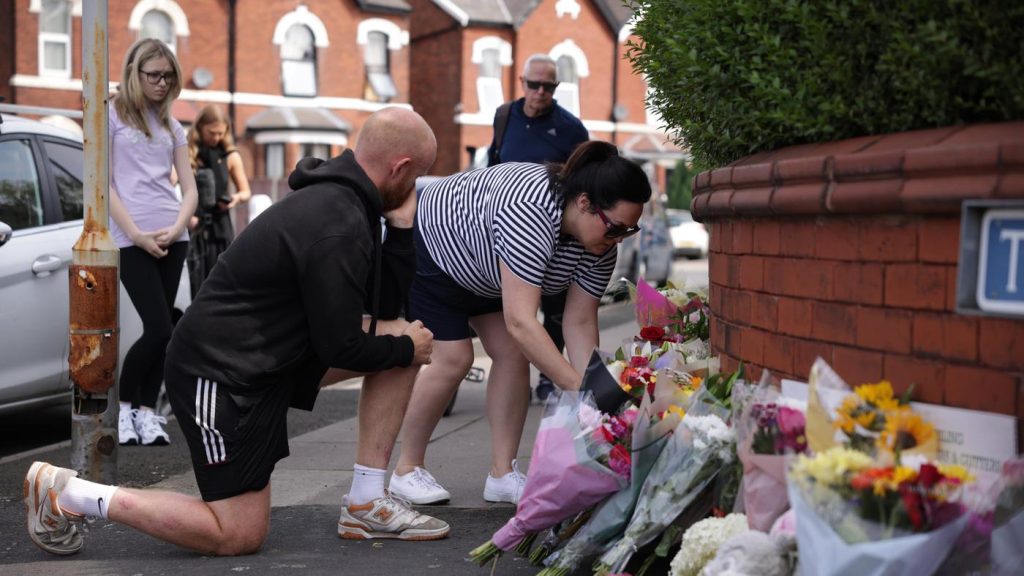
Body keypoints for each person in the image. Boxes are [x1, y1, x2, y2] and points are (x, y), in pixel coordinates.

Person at [23, 107, 448, 557]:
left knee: (405, 338)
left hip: (267, 360)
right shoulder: (337, 221)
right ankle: (69, 493)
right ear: (400, 168)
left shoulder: (349, 207)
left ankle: (365, 500)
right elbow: (340, 345)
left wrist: (401, 231)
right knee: (237, 534)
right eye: (417, 177)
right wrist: (400, 345)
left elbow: (381, 313)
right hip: (218, 375)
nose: (415, 190)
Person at [389, 141, 651, 506]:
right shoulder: (530, 212)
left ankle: (502, 474)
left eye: (629, 231)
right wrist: (577, 389)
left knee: (514, 355)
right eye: (616, 228)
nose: (618, 240)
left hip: (489, 269)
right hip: (436, 248)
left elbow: (578, 322)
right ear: (584, 204)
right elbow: (520, 321)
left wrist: (600, 393)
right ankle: (406, 469)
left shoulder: (600, 244)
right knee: (454, 358)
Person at [106, 38, 198, 447]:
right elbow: (105, 185)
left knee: (166, 332)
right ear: (135, 74)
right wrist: (138, 235)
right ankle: (125, 411)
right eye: (155, 75)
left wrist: (179, 225)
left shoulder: (173, 126)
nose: (162, 83)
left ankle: (146, 414)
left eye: (168, 76)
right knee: (159, 327)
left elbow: (190, 189)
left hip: (172, 235)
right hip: (131, 237)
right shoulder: (110, 116)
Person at [487, 54, 589, 403]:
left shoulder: (571, 128)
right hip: (505, 230)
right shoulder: (504, 117)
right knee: (512, 309)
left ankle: (548, 377)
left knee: (556, 309)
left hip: (552, 233)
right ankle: (511, 369)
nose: (540, 92)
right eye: (534, 84)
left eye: (549, 86)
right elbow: (492, 166)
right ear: (522, 82)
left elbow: (583, 184)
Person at [185, 105, 251, 297]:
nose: (216, 137)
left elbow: (245, 192)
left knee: (222, 284)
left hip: (221, 227)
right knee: (197, 287)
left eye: (220, 133)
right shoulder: (188, 155)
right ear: (200, 128)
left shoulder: (231, 156)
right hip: (194, 227)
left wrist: (233, 200)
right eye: (211, 133)